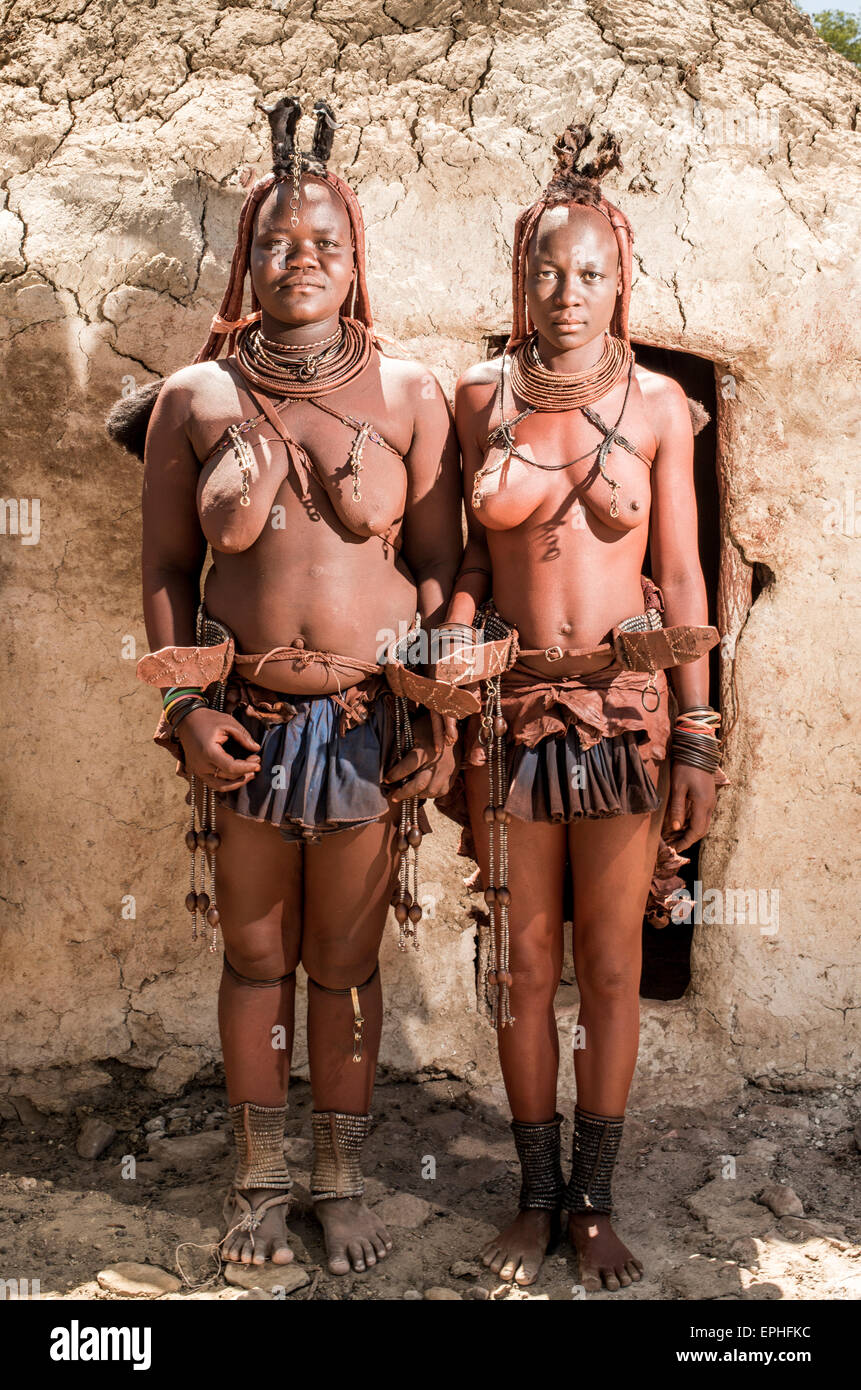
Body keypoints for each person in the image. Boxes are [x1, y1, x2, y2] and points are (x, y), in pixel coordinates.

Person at [118, 96, 462, 1276]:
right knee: (257, 954)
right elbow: (167, 568)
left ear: (356, 261)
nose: (299, 260)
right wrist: (183, 709)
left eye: (324, 243)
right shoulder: (194, 399)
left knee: (346, 963)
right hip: (251, 723)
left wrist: (439, 716)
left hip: (367, 723)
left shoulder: (414, 393)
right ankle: (260, 1185)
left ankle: (343, 1180)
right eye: (275, 241)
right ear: (243, 259)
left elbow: (438, 570)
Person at [440, 122, 727, 1291]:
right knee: (521, 962)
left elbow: (690, 576)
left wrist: (701, 735)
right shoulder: (476, 399)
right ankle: (532, 1195)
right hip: (508, 719)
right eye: (549, 273)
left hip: (619, 717)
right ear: (523, 279)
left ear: (625, 282)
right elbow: (460, 556)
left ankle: (595, 1203)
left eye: (592, 274)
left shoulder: (660, 407)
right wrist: (452, 625)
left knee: (611, 964)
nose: (569, 294)